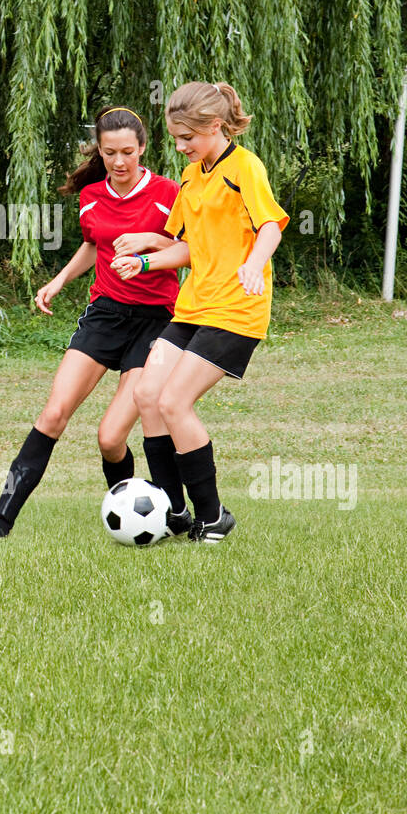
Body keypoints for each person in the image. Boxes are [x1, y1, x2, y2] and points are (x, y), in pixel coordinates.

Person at [0, 106, 181, 541]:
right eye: (110, 153)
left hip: (156, 321)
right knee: (53, 414)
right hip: (105, 314)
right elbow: (92, 246)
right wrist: (60, 279)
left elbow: (190, 246)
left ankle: (146, 518)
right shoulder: (91, 197)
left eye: (128, 151)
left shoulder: (169, 192)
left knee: (109, 438)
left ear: (142, 148)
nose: (120, 162)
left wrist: (149, 244)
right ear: (99, 152)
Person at [111, 81, 289, 543]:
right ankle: (173, 512)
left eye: (187, 138)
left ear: (215, 126)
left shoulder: (245, 167)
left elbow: (270, 226)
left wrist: (253, 264)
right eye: (175, 138)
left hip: (235, 309)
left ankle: (213, 517)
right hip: (195, 305)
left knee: (174, 402)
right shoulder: (191, 177)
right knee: (148, 394)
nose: (180, 147)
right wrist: (145, 261)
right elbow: (187, 248)